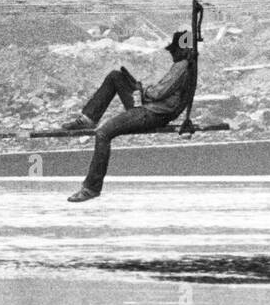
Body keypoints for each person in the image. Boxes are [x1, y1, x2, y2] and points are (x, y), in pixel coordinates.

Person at [62, 30, 197, 202]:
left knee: (103, 133)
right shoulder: (186, 65)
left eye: (173, 50)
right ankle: (89, 118)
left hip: (153, 113)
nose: (171, 54)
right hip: (152, 107)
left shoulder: (182, 66)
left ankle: (91, 188)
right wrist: (141, 90)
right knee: (115, 77)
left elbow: (158, 93)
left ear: (182, 49)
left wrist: (143, 91)